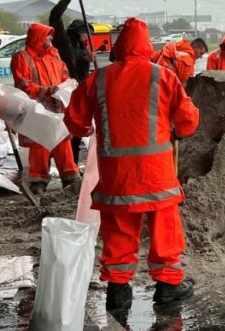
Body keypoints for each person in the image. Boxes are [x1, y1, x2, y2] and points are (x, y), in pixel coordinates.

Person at [64, 18, 200, 311]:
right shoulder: (162, 76)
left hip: (117, 177)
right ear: (147, 45)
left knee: (119, 231)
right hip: (157, 174)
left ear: (118, 46)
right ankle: (168, 286)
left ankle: (118, 290)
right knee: (165, 229)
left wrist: (88, 129)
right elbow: (188, 121)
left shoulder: (99, 79)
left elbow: (74, 121)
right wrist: (176, 130)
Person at [11, 23, 81, 194]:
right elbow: (23, 84)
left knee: (62, 142)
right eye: (47, 35)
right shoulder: (22, 57)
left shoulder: (54, 56)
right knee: (39, 145)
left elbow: (64, 76)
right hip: (36, 110)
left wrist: (68, 86)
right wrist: (46, 91)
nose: (50, 38)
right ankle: (38, 182)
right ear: (38, 37)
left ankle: (71, 178)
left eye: (50, 35)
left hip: (56, 108)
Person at [50, 0, 94, 163]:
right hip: (63, 90)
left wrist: (86, 59)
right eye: (86, 33)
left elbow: (80, 71)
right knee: (63, 130)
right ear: (78, 31)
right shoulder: (63, 40)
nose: (88, 38)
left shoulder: (82, 47)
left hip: (77, 91)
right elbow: (55, 17)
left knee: (76, 129)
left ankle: (73, 163)